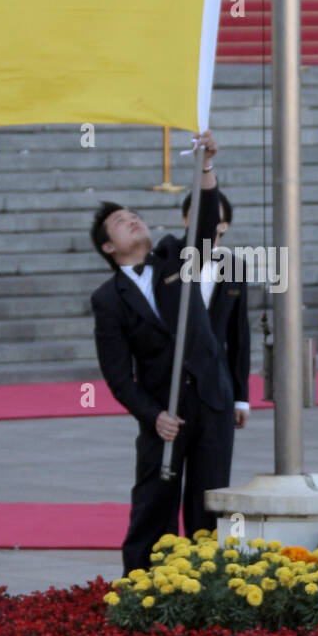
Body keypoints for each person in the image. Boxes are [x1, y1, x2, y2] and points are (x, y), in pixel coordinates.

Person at [89, 131, 235, 574]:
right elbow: (117, 376)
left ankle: (206, 585)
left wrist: (206, 166)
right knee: (153, 503)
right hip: (163, 414)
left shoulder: (174, 257)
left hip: (209, 399)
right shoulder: (108, 299)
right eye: (120, 221)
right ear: (108, 248)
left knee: (208, 504)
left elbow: (207, 228)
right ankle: (143, 588)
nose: (133, 220)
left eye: (135, 215)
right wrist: (153, 416)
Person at [180, 188, 250, 456]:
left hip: (216, 384)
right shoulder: (169, 264)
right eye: (199, 214)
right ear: (186, 219)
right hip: (176, 381)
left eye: (215, 217)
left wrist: (240, 398)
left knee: (213, 467)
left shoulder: (235, 267)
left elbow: (238, 336)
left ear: (225, 225)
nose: (207, 221)